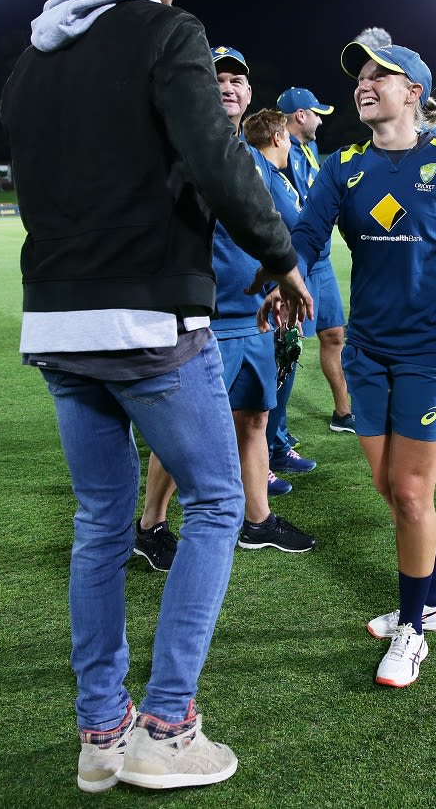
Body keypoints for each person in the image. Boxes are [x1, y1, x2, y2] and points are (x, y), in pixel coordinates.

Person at [0, 0, 312, 793]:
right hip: (146, 316)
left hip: (56, 320)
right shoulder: (169, 34)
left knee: (101, 521)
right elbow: (218, 160)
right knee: (218, 502)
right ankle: (167, 725)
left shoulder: (29, 58)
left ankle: (102, 732)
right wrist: (282, 256)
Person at [263, 38, 436, 688]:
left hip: (435, 349)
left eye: (382, 74)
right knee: (389, 488)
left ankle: (414, 629)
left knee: (408, 491)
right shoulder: (343, 168)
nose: (365, 83)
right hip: (368, 353)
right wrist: (287, 276)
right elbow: (307, 235)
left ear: (414, 94)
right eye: (362, 75)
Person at [134, 48, 318, 571]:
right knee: (182, 429)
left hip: (254, 314)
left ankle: (256, 522)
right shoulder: (183, 151)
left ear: (250, 94)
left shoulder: (257, 159)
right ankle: (150, 526)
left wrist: (282, 284)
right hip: (202, 318)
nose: (228, 87)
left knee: (255, 419)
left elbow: (283, 227)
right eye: (217, 80)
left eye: (237, 79)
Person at [276, 86, 356, 436]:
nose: (321, 120)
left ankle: (344, 412)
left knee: (334, 334)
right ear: (301, 116)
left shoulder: (310, 149)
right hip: (300, 259)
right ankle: (274, 433)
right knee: (288, 346)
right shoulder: (277, 152)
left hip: (321, 260)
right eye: (317, 113)